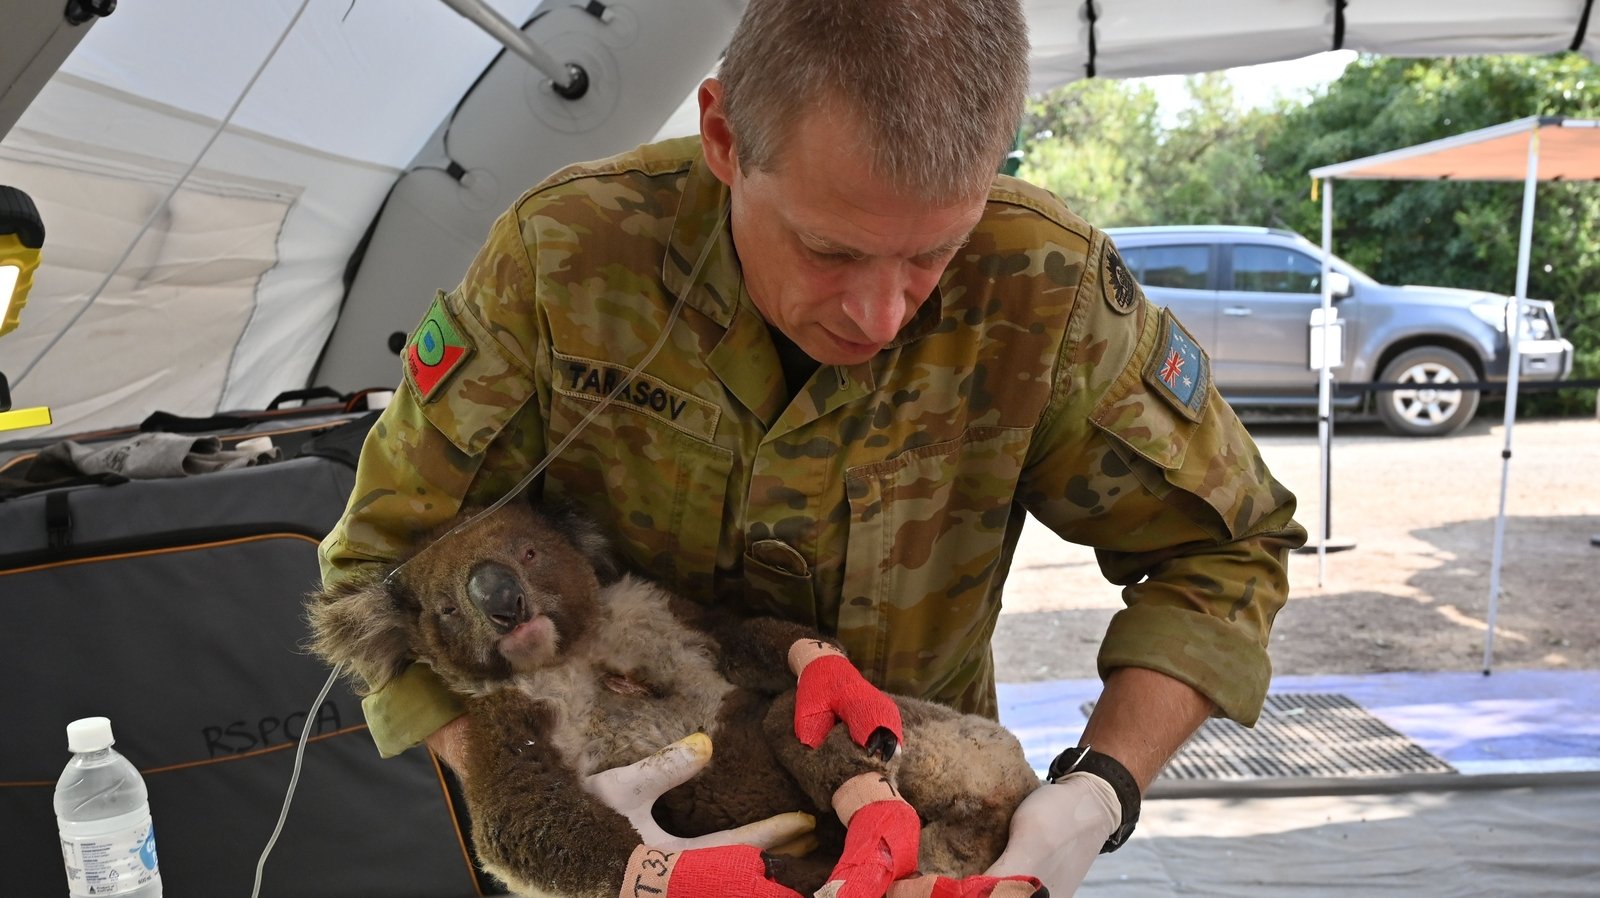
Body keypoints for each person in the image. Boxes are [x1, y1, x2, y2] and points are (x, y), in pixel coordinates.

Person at [318, 0, 1307, 894]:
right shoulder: (567, 257)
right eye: (829, 249)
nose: (879, 315)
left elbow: (1224, 548)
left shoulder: (1040, 286)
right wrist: (550, 797)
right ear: (721, 136)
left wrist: (1098, 791)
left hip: (925, 838)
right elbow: (378, 567)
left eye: (932, 254)